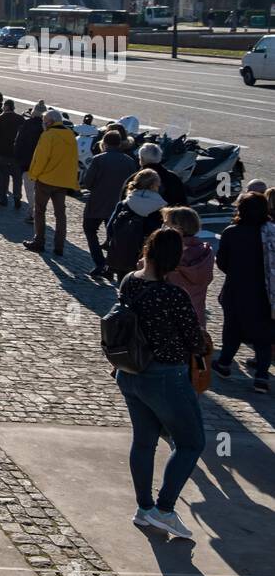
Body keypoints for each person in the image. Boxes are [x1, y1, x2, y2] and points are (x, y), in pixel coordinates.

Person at [114, 228, 206, 540]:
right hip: (165, 376)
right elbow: (194, 340)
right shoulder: (173, 295)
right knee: (191, 443)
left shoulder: (129, 281)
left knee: (143, 441)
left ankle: (144, 508)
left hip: (129, 372)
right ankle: (164, 509)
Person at [213, 192, 273, 393]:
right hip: (266, 293)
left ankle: (224, 364)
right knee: (264, 335)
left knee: (232, 328)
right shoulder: (271, 232)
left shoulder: (232, 232)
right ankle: (262, 377)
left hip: (236, 288)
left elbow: (222, 262)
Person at [81, 132, 138, 279]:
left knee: (90, 231)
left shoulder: (98, 159)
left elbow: (87, 183)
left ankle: (100, 263)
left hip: (97, 203)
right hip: (118, 205)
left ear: (104, 143)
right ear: (119, 144)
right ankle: (110, 266)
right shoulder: (129, 161)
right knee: (114, 237)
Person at [24, 109, 78, 256]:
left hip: (46, 180)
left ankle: (39, 241)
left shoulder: (48, 136)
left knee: (40, 211)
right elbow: (73, 160)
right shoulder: (70, 135)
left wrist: (33, 175)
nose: (43, 124)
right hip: (62, 181)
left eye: (44, 121)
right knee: (60, 214)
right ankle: (59, 246)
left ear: (49, 122)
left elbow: (40, 158)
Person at [105, 170, 167, 281]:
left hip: (123, 252)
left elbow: (110, 228)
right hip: (145, 256)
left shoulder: (124, 203)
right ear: (153, 186)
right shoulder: (160, 207)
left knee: (123, 284)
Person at [161, 206, 214, 327]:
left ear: (177, 228)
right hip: (196, 315)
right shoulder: (206, 251)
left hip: (169, 317)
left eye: (166, 224)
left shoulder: (167, 252)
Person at [13, 101, 47, 224]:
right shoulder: (46, 128)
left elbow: (18, 143)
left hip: (27, 163)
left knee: (29, 189)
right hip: (42, 164)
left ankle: (32, 213)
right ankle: (39, 211)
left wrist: (17, 159)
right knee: (40, 190)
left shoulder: (26, 125)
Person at [0, 98, 23, 208]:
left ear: (5, 107)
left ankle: (3, 198)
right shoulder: (20, 119)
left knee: (2, 178)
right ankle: (17, 197)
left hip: (0, 153)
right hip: (16, 154)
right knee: (17, 178)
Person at [137, 143, 188, 208]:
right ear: (159, 158)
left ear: (141, 159)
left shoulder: (135, 179)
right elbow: (183, 205)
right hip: (169, 216)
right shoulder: (173, 178)